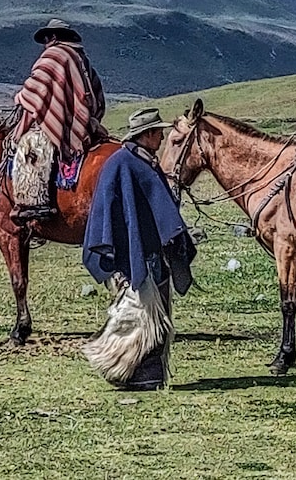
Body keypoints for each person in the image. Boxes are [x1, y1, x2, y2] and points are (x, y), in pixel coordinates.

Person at [82, 107, 196, 391]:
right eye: (158, 132)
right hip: (136, 254)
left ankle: (147, 375)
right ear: (145, 135)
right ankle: (125, 368)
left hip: (152, 251)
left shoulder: (143, 161)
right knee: (141, 314)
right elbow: (113, 211)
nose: (162, 136)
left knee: (156, 314)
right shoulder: (123, 163)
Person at [10, 18, 107, 223]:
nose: (46, 42)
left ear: (53, 36)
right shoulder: (81, 58)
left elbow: (36, 92)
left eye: (47, 38)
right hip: (86, 124)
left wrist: (21, 100)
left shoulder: (53, 55)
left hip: (65, 126)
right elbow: (96, 94)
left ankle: (35, 205)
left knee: (31, 148)